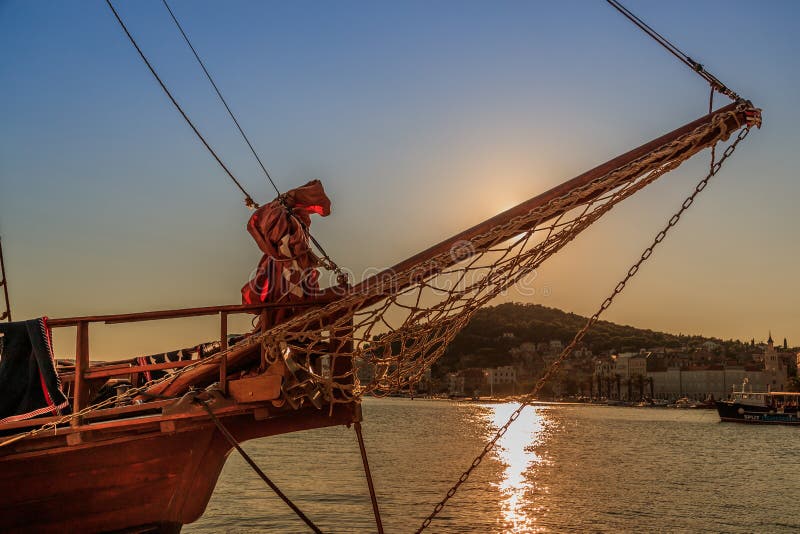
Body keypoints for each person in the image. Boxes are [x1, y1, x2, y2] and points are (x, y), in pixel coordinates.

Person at [241, 179, 332, 330]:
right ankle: (291, 323)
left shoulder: (293, 221)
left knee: (293, 295)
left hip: (294, 272)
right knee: (289, 298)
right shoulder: (280, 219)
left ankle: (293, 323)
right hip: (288, 274)